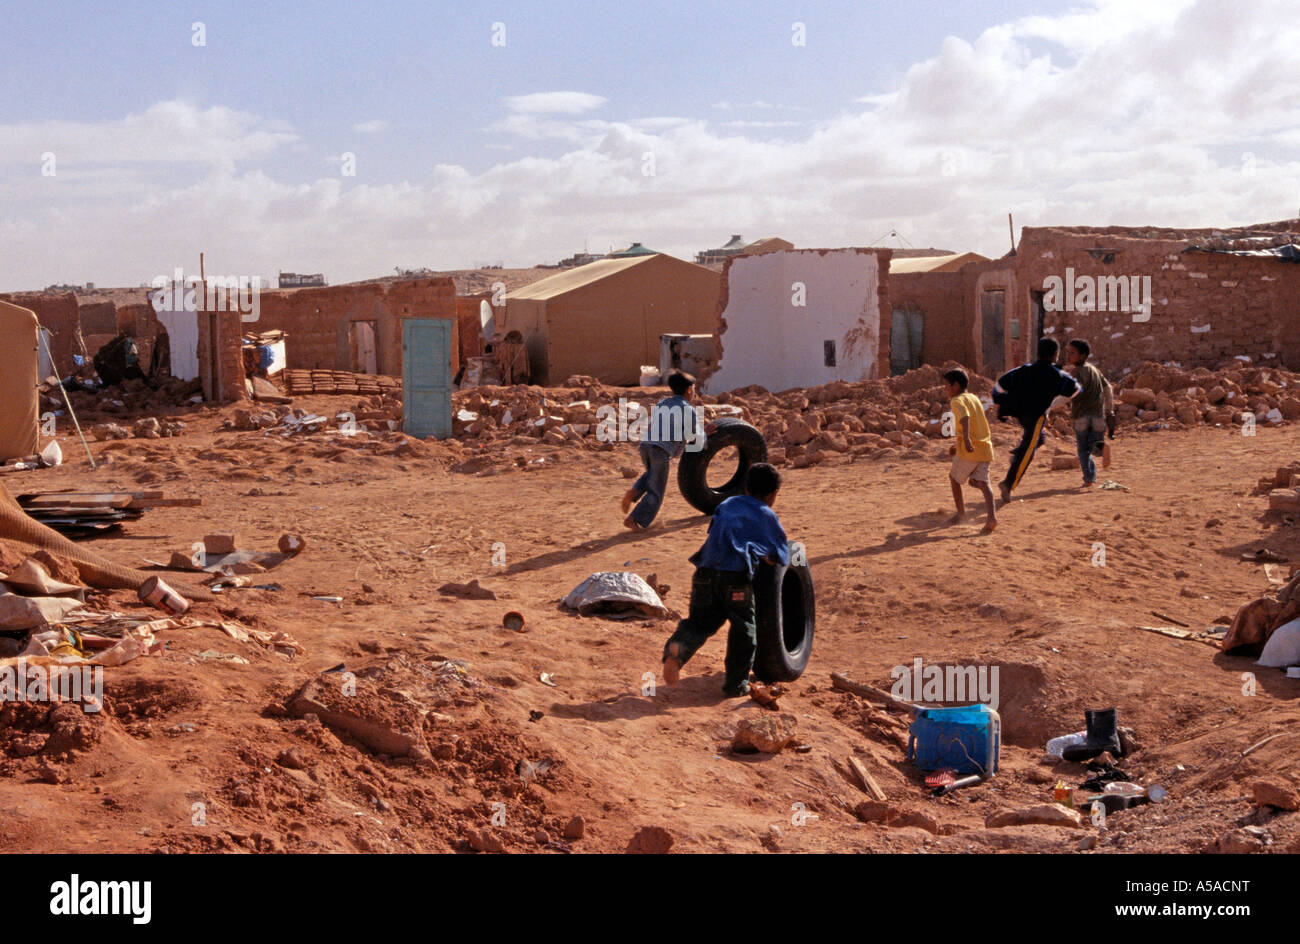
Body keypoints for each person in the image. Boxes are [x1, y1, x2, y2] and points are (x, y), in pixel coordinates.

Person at [661, 463, 790, 697]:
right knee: (744, 629)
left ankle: (678, 650)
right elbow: (780, 554)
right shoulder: (766, 515)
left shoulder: (727, 504)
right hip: (735, 578)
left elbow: (715, 532)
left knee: (701, 622)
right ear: (773, 495)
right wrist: (767, 558)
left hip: (704, 571)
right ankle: (735, 684)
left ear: (746, 488)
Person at [992, 337, 1080, 504]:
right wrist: (1053, 403)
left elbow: (1000, 384)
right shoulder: (1057, 374)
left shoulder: (1024, 369)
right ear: (1056, 355)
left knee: (1039, 439)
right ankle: (1008, 483)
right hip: (1036, 416)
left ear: (1038, 353)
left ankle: (1017, 455)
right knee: (1029, 449)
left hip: (1019, 413)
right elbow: (1075, 390)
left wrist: (1000, 401)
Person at [621, 371, 703, 531]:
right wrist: (707, 431)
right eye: (693, 388)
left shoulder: (662, 403)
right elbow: (695, 433)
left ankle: (635, 491)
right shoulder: (688, 409)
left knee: (652, 473)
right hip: (661, 449)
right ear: (688, 390)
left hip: (646, 445)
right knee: (656, 490)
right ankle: (634, 519)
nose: (694, 392)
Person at [943, 369, 997, 533]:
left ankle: (961, 514)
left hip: (970, 449)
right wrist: (957, 445)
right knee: (981, 482)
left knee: (954, 478)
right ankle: (991, 518)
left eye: (947, 386)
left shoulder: (957, 400)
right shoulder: (973, 398)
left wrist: (965, 441)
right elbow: (974, 422)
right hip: (985, 447)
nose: (945, 390)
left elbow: (965, 418)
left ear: (956, 385)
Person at [1063, 339, 1114, 487]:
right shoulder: (1095, 370)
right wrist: (1109, 409)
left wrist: (1051, 405)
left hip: (1081, 416)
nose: (1068, 355)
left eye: (1072, 353)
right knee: (1095, 443)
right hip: (1098, 415)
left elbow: (1071, 393)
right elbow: (1108, 388)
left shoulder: (1077, 372)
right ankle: (1103, 447)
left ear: (1083, 356)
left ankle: (1089, 478)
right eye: (1068, 352)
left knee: (1082, 449)